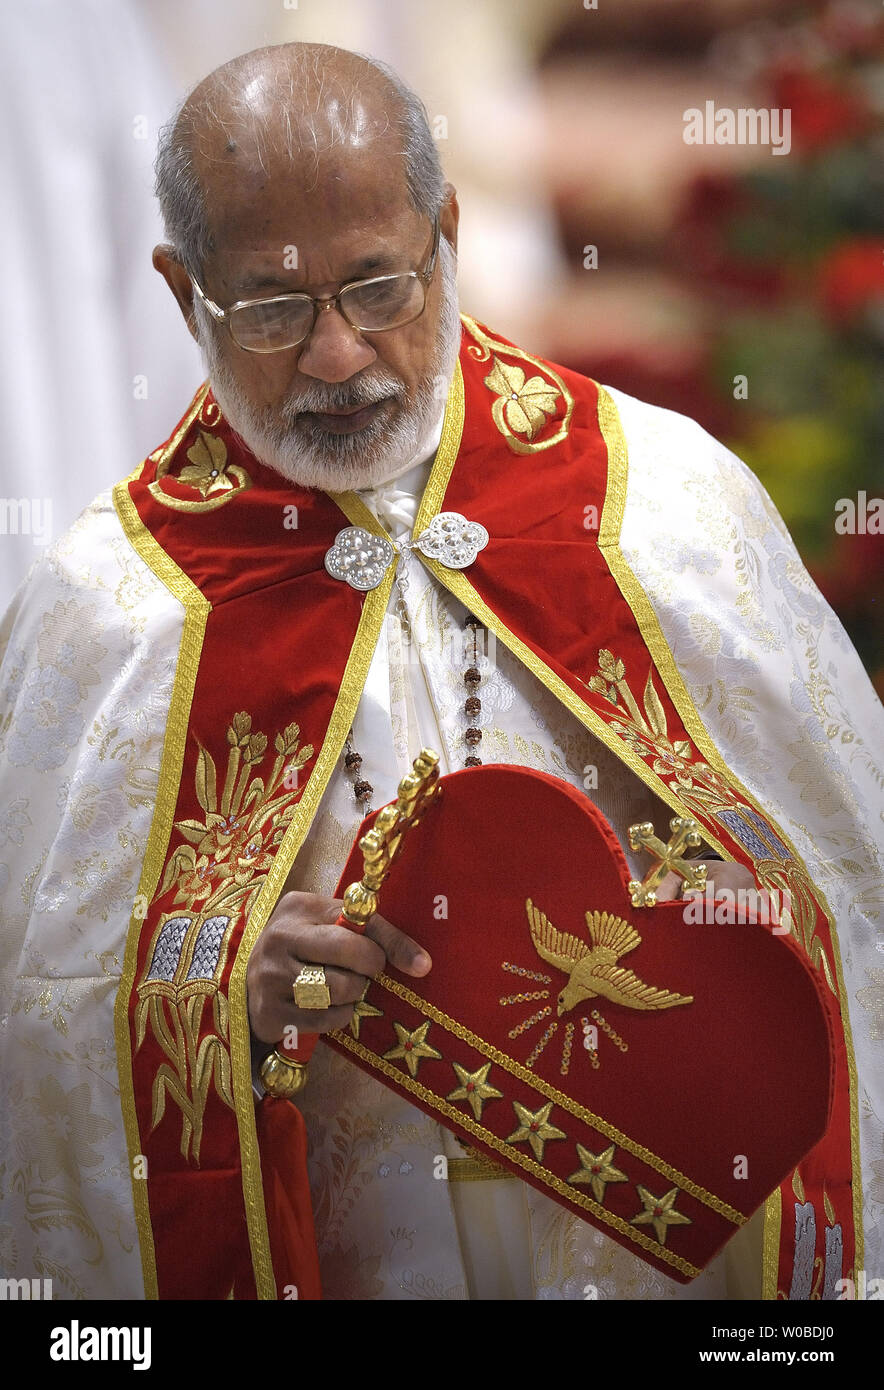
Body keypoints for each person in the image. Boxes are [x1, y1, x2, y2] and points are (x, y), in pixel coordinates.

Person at [0, 41, 880, 1304]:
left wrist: (712, 901)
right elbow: (36, 1030)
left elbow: (853, 886)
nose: (338, 357)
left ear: (448, 234)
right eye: (268, 309)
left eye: (377, 286)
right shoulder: (111, 610)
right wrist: (216, 1000)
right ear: (179, 290)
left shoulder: (664, 505)